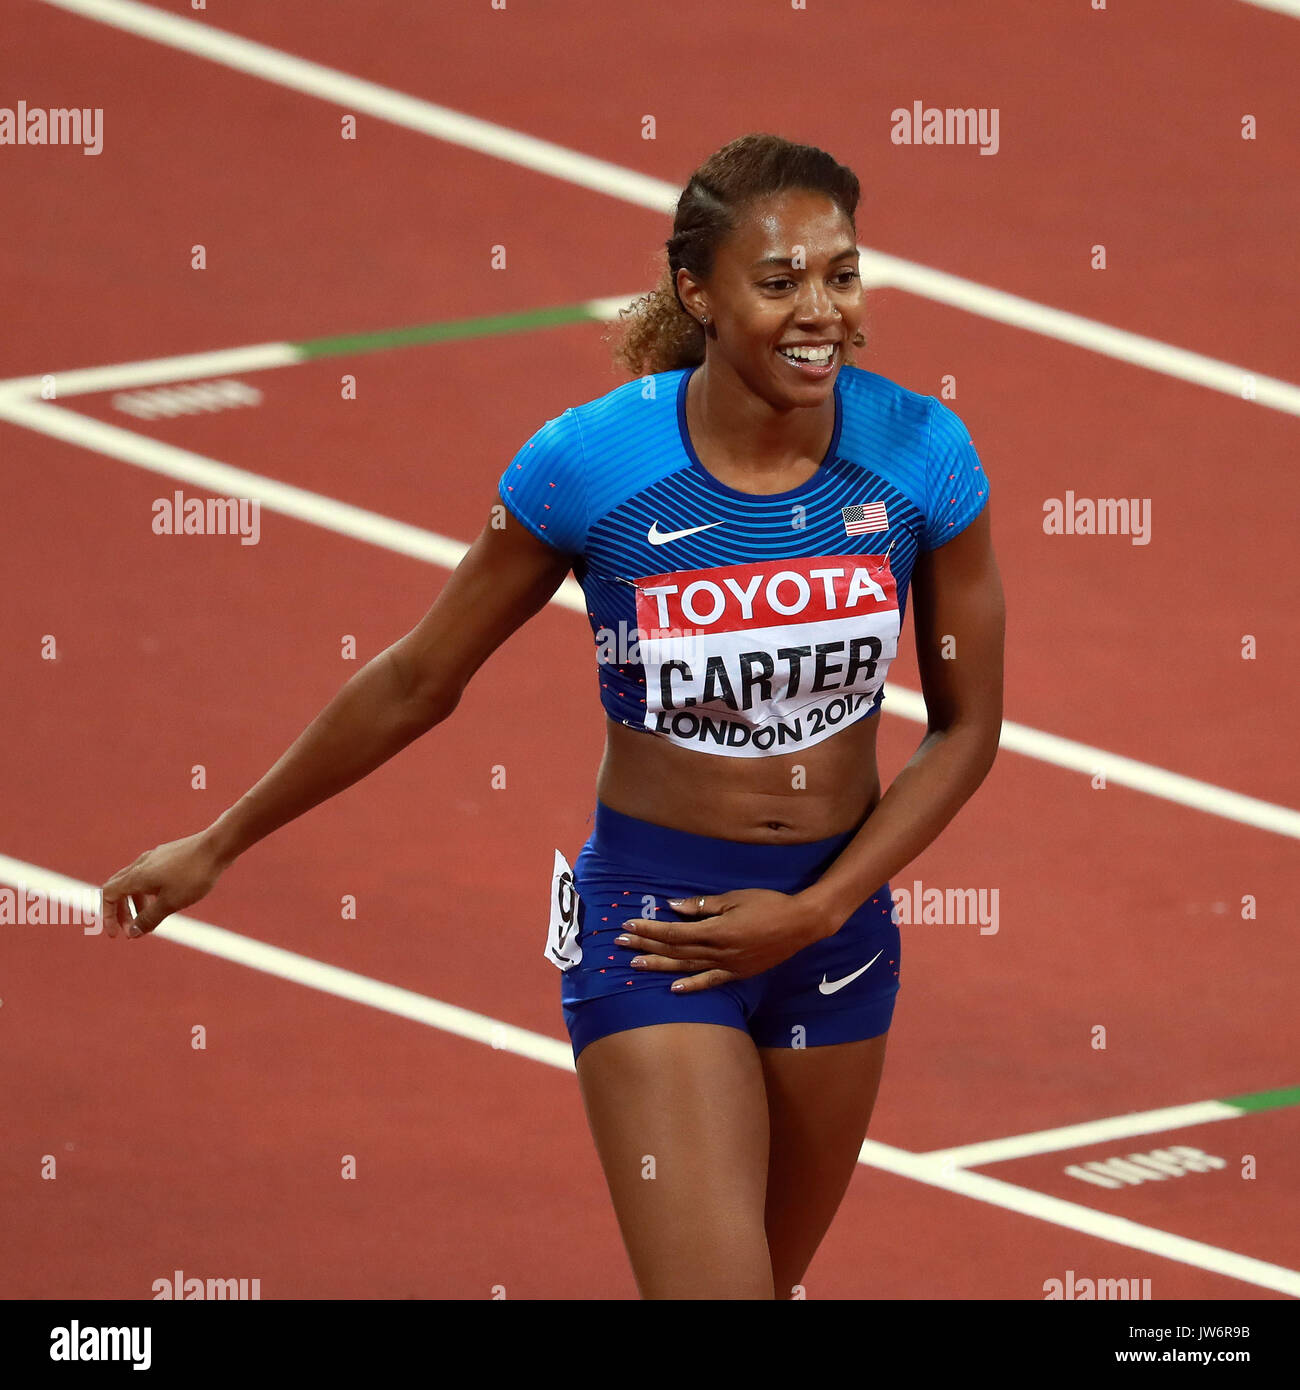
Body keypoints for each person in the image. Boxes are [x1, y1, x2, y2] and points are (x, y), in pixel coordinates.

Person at [101, 133, 1005, 1301]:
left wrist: (818, 909)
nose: (818, 309)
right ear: (697, 291)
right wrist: (218, 840)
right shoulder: (590, 464)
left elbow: (967, 726)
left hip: (835, 926)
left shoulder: (921, 457)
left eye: (840, 273)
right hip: (655, 929)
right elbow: (417, 679)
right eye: (777, 282)